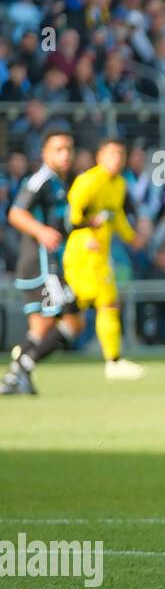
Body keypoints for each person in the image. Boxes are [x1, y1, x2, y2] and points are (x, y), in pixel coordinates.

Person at [2, 128, 84, 395]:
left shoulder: (61, 182)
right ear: (45, 152)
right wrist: (42, 232)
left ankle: (14, 379)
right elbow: (15, 213)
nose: (65, 155)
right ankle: (24, 366)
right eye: (58, 149)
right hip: (42, 265)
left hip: (40, 264)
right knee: (73, 321)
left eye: (69, 149)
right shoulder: (41, 180)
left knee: (39, 328)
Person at [60, 137, 146, 381]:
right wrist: (87, 231)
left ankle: (33, 346)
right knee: (94, 305)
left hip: (99, 255)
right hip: (82, 254)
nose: (116, 159)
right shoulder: (88, 182)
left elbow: (115, 216)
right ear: (100, 156)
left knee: (89, 307)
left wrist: (131, 237)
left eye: (120, 154)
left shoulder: (118, 184)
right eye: (111, 154)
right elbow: (71, 217)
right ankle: (113, 361)